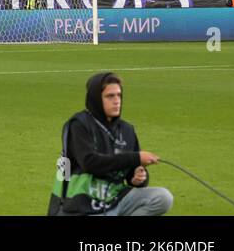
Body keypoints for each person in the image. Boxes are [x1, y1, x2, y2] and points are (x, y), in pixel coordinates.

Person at [48, 71, 171, 216]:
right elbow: (89, 163)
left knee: (163, 198)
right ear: (96, 99)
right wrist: (136, 158)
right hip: (82, 203)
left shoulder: (127, 129)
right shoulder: (79, 125)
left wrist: (138, 177)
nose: (116, 100)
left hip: (115, 199)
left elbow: (132, 169)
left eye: (119, 95)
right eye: (110, 96)